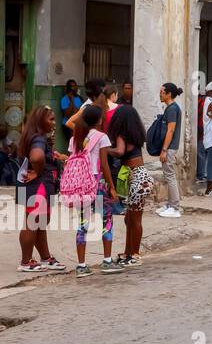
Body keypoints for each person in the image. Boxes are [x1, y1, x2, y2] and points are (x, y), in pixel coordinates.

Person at [60, 104, 122, 277]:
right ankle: (107, 261)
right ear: (99, 120)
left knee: (83, 224)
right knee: (106, 221)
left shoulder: (75, 138)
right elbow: (104, 165)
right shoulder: (101, 137)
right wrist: (112, 186)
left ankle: (81, 266)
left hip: (81, 186)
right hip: (98, 184)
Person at [16, 105, 68, 273]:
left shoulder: (38, 138)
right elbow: (36, 157)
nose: (54, 123)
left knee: (39, 224)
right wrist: (37, 171)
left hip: (40, 186)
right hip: (37, 186)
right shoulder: (38, 139)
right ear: (40, 121)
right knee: (32, 223)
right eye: (51, 119)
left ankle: (45, 258)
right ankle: (25, 262)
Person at [107, 104, 150, 267]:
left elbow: (119, 151)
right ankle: (128, 252)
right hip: (141, 177)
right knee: (130, 219)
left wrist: (104, 149)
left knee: (135, 219)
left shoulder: (121, 133)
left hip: (136, 179)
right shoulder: (135, 134)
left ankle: (135, 254)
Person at [155, 82, 184, 218]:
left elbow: (170, 130)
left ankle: (175, 207)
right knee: (169, 176)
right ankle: (170, 204)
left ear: (169, 94)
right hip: (170, 147)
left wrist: (164, 149)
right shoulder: (171, 108)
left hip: (170, 148)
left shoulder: (172, 109)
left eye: (162, 92)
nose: (160, 94)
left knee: (170, 176)